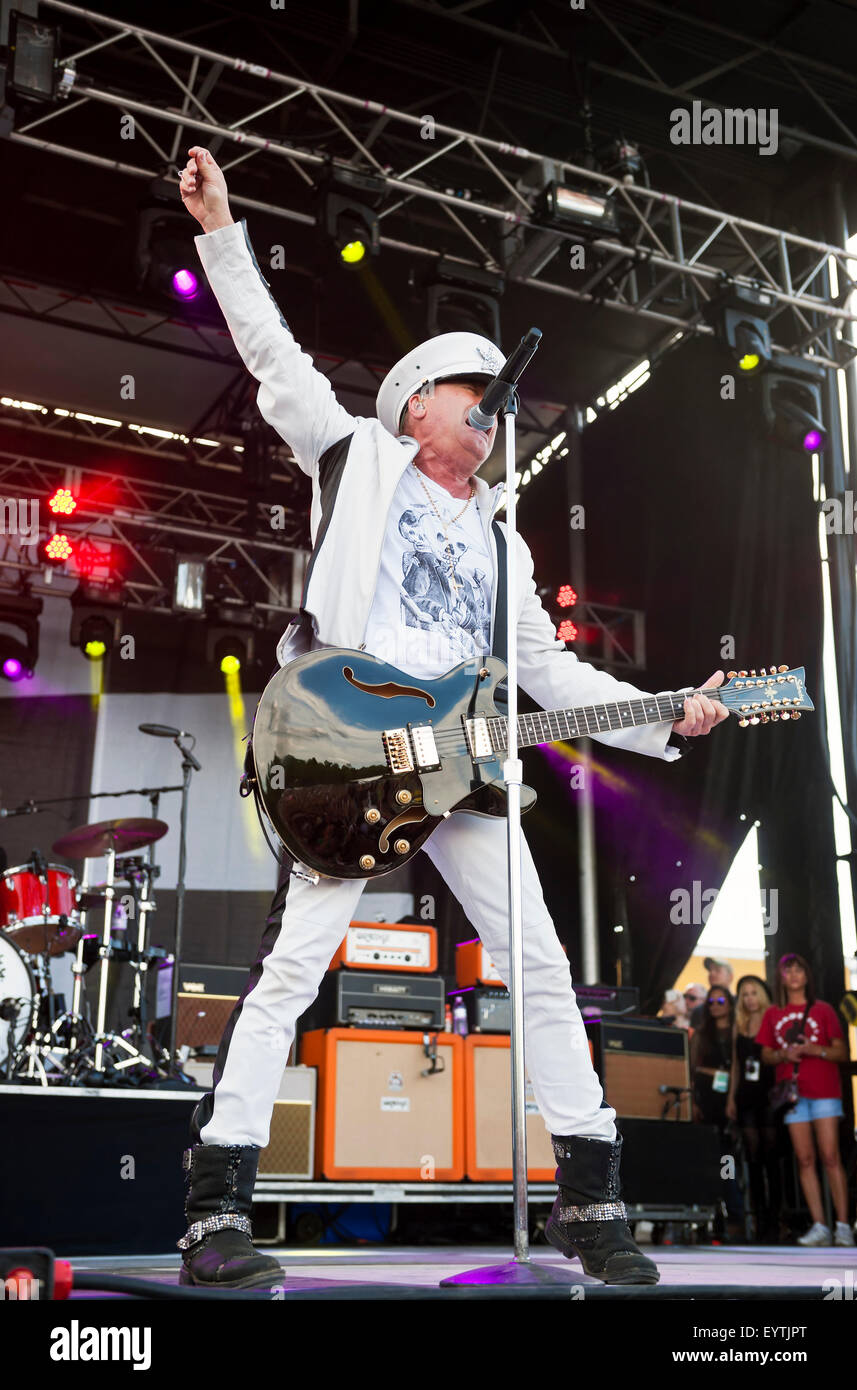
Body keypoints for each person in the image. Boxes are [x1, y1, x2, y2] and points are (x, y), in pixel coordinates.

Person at [174, 145, 731, 1290]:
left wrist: (669, 715)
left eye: (499, 402)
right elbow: (272, 359)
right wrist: (223, 230)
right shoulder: (355, 459)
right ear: (413, 404)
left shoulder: (499, 537)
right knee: (294, 966)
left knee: (536, 961)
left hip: (466, 768)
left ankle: (592, 1199)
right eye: (471, 394)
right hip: (347, 750)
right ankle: (216, 1208)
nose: (491, 413)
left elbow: (547, 674)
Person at [756, 953, 853, 1247]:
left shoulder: (823, 1010)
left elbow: (841, 1053)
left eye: (800, 969)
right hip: (793, 1094)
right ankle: (820, 1225)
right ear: (781, 977)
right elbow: (765, 1054)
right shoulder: (773, 1013)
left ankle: (844, 1225)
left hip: (824, 1091)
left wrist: (815, 1049)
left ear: (807, 976)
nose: (795, 975)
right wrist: (784, 1054)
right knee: (805, 1159)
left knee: (831, 1157)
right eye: (789, 970)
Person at [725, 975, 781, 1242]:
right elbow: (736, 1064)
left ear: (761, 994)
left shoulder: (773, 1019)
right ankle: (759, 1222)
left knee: (772, 1158)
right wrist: (731, 1098)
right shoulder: (739, 1024)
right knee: (753, 1158)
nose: (749, 998)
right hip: (746, 1093)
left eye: (753, 993)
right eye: (744, 994)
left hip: (770, 1092)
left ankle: (775, 1220)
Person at [690, 985, 744, 1238]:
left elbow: (737, 1069)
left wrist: (732, 1098)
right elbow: (690, 1070)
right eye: (710, 1002)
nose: (715, 1005)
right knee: (708, 1159)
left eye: (721, 1000)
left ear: (730, 1003)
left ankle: (734, 1212)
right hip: (706, 1100)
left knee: (728, 1160)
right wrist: (694, 1102)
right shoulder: (701, 1034)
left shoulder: (737, 1030)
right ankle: (711, 1214)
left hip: (730, 1102)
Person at [688, 958, 734, 1029]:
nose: (712, 973)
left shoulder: (740, 1005)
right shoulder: (699, 1011)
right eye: (710, 970)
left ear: (730, 977)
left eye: (717, 970)